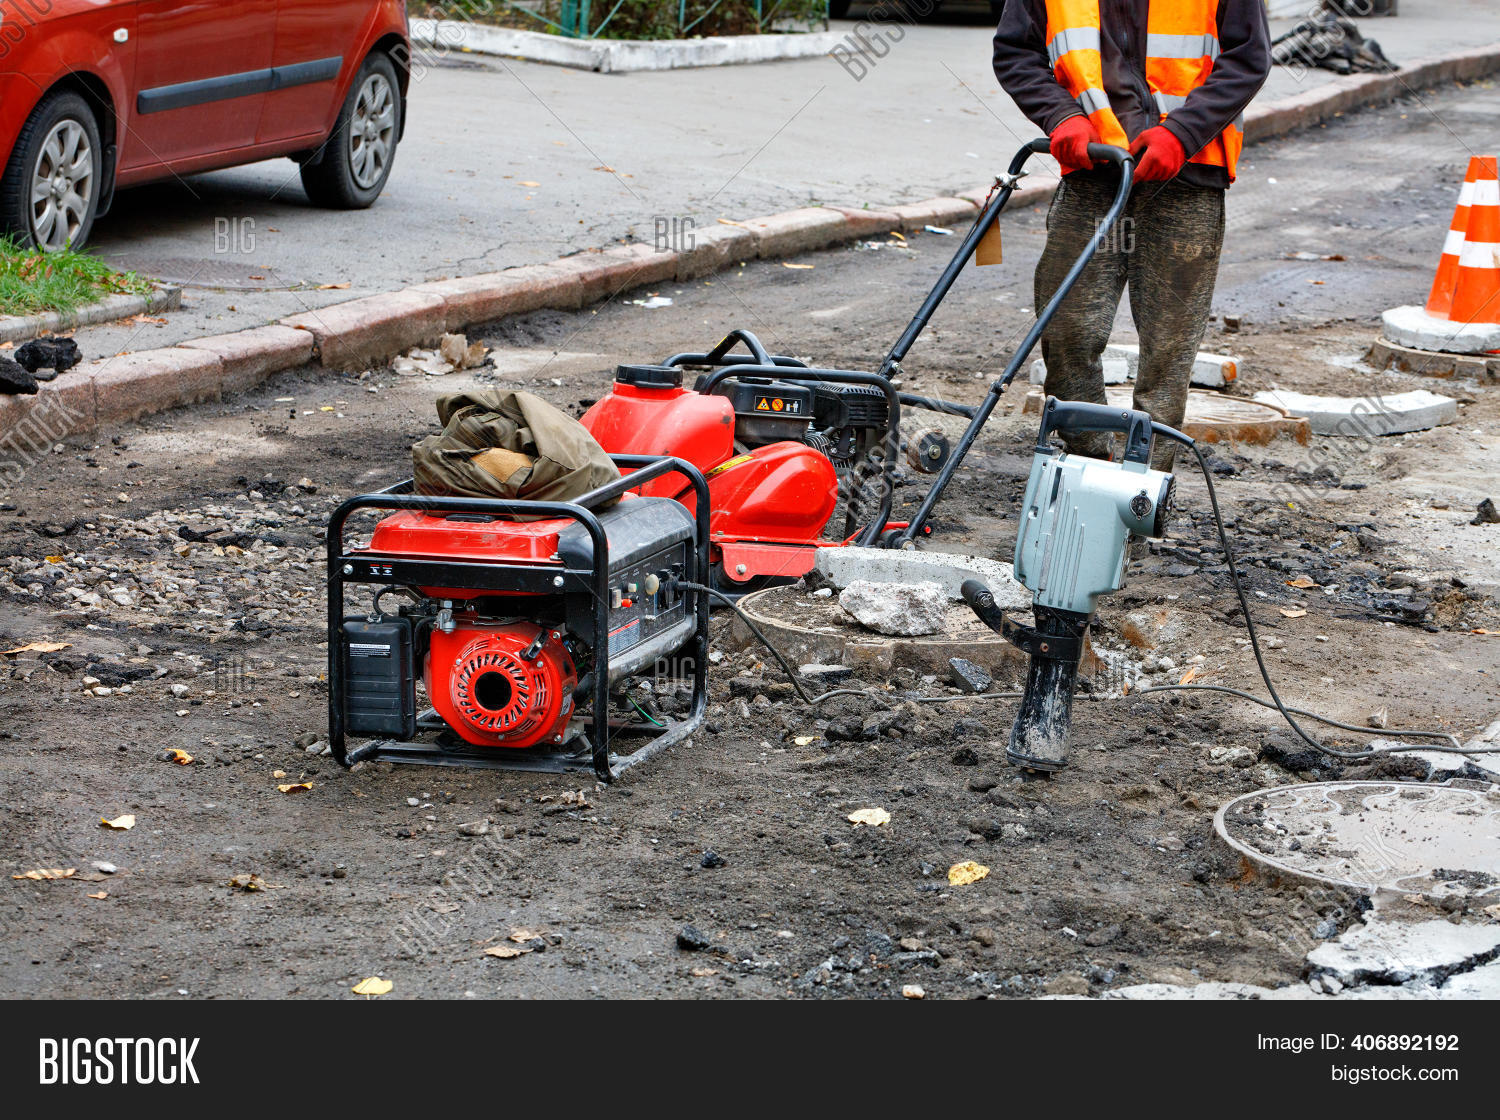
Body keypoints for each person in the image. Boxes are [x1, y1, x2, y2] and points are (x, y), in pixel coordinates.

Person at [994, 0, 1271, 471]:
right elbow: (1015, 51)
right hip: (1092, 174)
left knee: (1168, 348)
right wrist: (1061, 117)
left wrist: (1181, 133)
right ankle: (1088, 464)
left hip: (1186, 179)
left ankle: (1144, 486)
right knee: (1066, 329)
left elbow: (1248, 57)